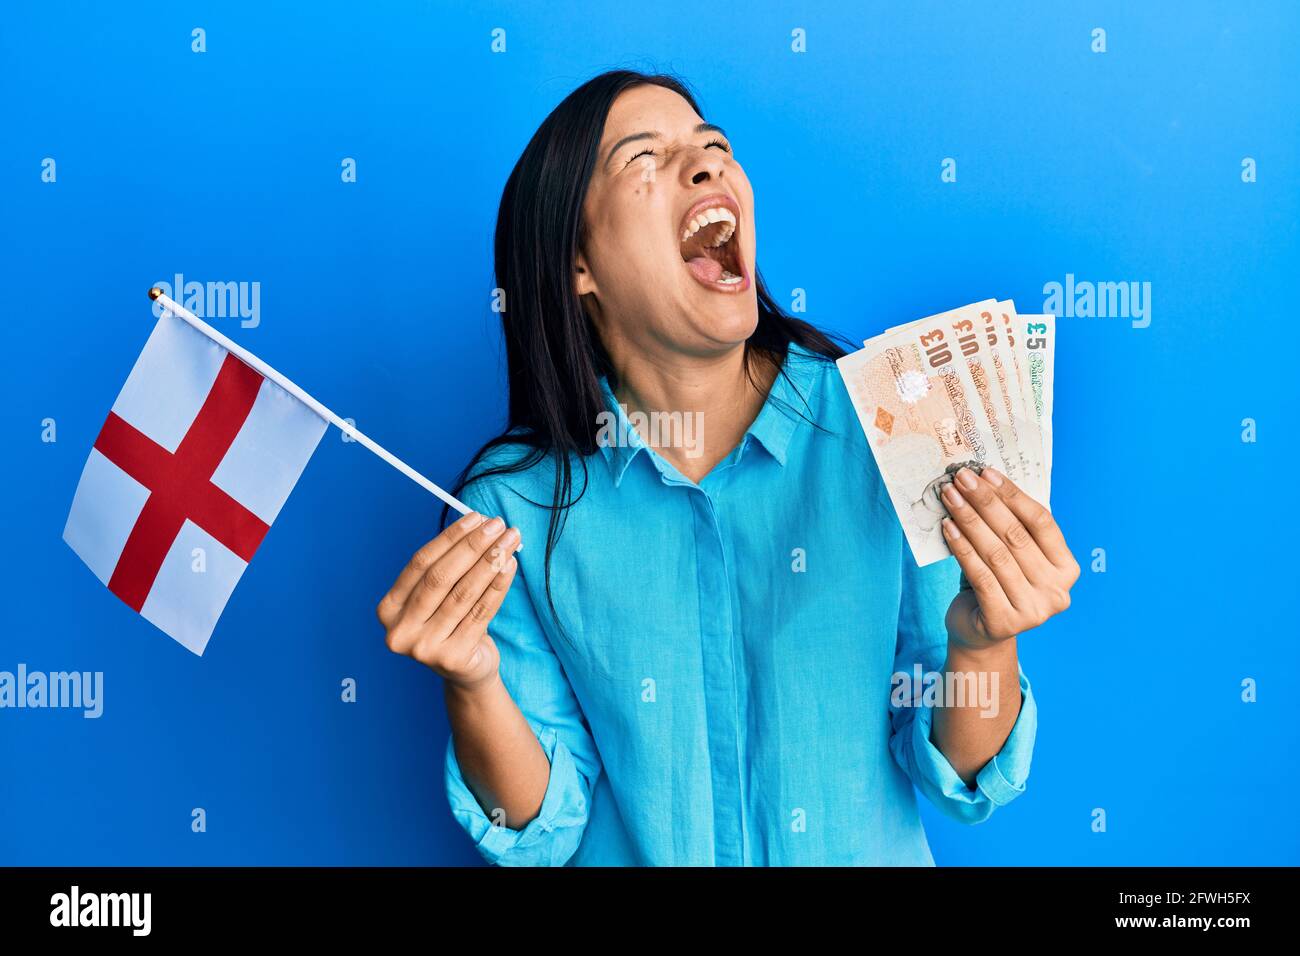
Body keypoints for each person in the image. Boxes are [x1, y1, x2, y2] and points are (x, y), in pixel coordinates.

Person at [376, 70, 1080, 865]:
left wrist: (984, 647)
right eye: (645, 158)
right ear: (579, 267)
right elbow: (542, 828)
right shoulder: (512, 509)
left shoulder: (889, 426)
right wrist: (472, 682)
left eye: (715, 149)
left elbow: (956, 772)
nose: (708, 165)